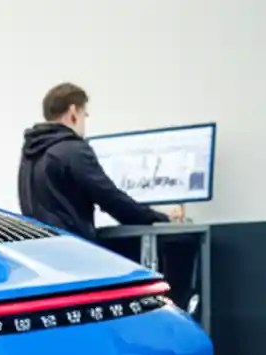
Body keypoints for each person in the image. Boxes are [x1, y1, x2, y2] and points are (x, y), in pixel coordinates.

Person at [18, 83, 181, 240]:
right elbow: (110, 198)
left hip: (39, 250)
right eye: (84, 115)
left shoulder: (31, 151)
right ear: (73, 112)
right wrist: (161, 218)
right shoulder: (73, 149)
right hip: (72, 249)